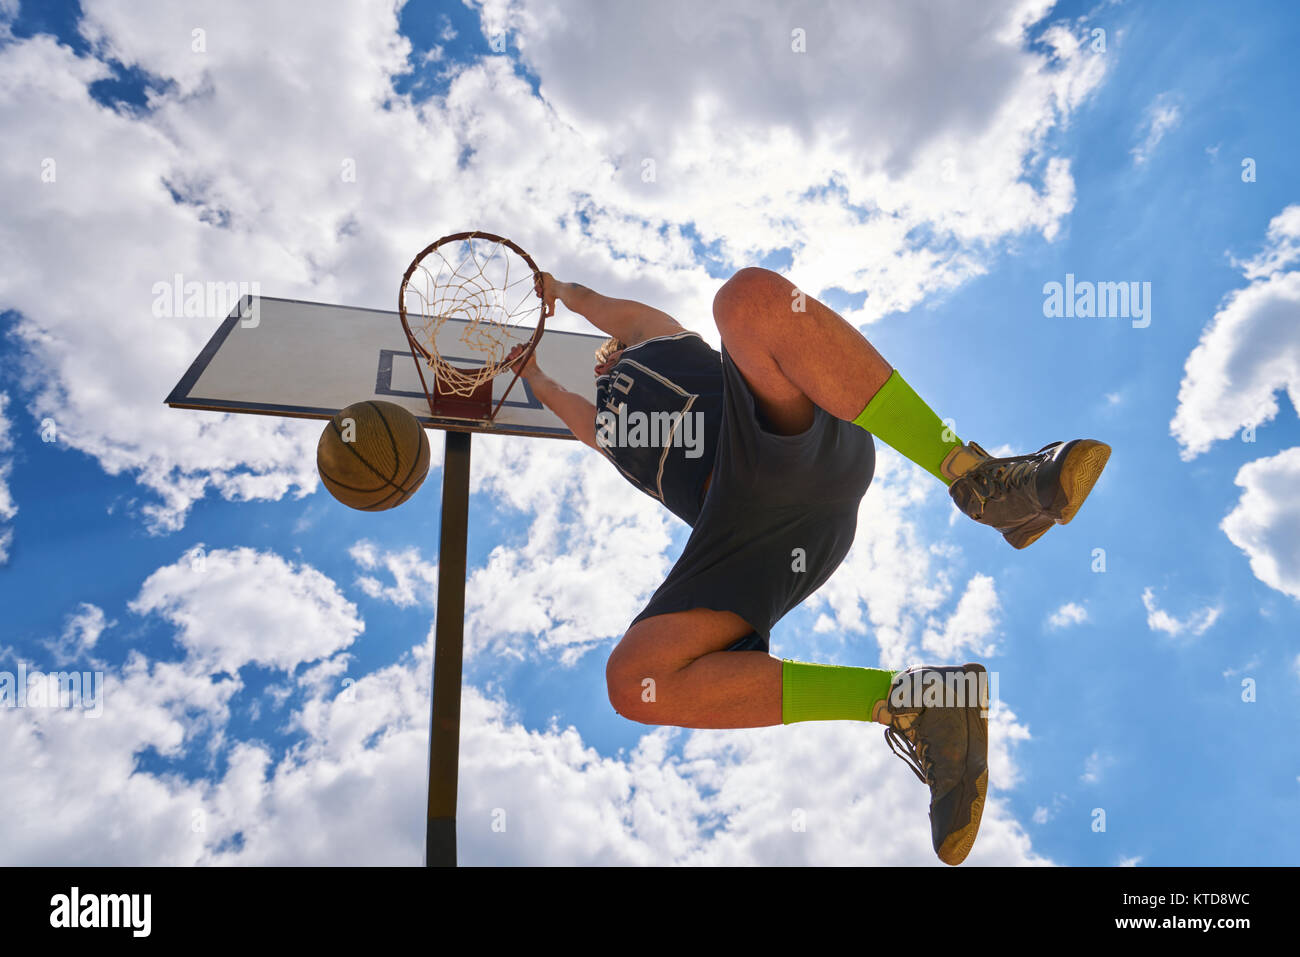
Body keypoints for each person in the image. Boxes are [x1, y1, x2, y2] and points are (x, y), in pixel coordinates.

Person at [506, 267, 1110, 865]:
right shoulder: (612, 430)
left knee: (748, 300)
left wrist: (558, 291)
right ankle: (918, 701)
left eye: (608, 354)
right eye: (599, 370)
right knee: (637, 680)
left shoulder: (654, 337)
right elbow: (569, 409)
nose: (603, 366)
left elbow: (603, 306)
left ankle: (979, 478)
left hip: (781, 443)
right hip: (749, 530)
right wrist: (531, 372)